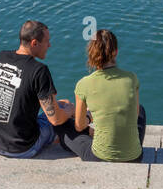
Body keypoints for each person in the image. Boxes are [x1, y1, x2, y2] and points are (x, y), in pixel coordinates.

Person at [0, 20, 74, 158]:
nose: (49, 45)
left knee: (57, 107)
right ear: (34, 43)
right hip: (22, 148)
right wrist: (70, 111)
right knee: (63, 108)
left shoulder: (1, 57)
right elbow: (55, 119)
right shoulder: (39, 71)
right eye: (47, 41)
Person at [61, 29, 147, 162]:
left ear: (91, 54)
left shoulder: (83, 84)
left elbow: (79, 126)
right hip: (134, 157)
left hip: (99, 157)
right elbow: (135, 115)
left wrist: (89, 117)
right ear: (116, 52)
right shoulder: (131, 78)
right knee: (140, 110)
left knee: (63, 125)